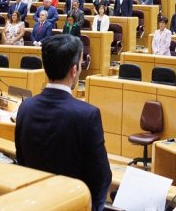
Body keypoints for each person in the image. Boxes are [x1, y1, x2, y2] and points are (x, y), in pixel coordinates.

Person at [16, 35, 111, 211]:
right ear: (74, 70)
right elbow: (101, 177)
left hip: (34, 204)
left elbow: (21, 162)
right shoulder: (87, 115)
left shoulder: (25, 107)